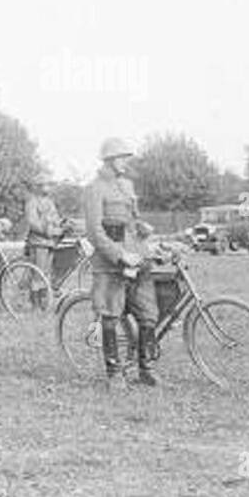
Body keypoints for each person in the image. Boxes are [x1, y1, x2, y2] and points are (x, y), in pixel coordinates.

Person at [84, 137, 158, 388]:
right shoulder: (95, 189)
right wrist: (119, 254)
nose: (126, 161)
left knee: (148, 314)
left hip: (136, 259)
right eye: (122, 157)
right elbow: (94, 232)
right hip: (110, 264)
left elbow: (133, 220)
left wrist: (142, 228)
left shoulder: (127, 185)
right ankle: (114, 373)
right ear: (110, 159)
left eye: (127, 157)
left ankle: (145, 369)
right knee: (110, 316)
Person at [24, 178, 65, 310]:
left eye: (48, 185)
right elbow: (33, 222)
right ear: (38, 187)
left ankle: (43, 301)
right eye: (44, 185)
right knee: (38, 274)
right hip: (38, 242)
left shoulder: (50, 202)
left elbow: (55, 218)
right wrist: (48, 230)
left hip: (50, 242)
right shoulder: (32, 202)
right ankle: (35, 304)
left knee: (46, 272)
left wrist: (62, 225)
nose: (47, 188)